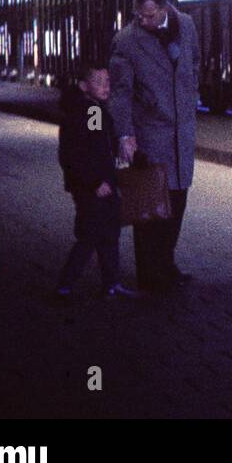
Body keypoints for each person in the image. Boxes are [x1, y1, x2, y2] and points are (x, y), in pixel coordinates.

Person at [109, 0, 200, 293]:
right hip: (150, 133)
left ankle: (167, 263)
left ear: (164, 8)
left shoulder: (186, 25)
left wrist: (189, 99)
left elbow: (195, 64)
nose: (144, 21)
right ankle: (149, 271)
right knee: (150, 203)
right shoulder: (127, 40)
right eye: (139, 15)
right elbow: (120, 93)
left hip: (182, 132)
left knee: (177, 200)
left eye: (149, 15)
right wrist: (125, 134)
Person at [56, 63, 134, 298]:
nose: (105, 86)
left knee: (108, 233)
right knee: (90, 236)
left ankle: (111, 283)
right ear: (83, 86)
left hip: (99, 184)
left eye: (107, 81)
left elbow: (96, 146)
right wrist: (95, 182)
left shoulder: (90, 109)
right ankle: (65, 285)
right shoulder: (90, 111)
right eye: (98, 82)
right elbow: (86, 152)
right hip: (95, 187)